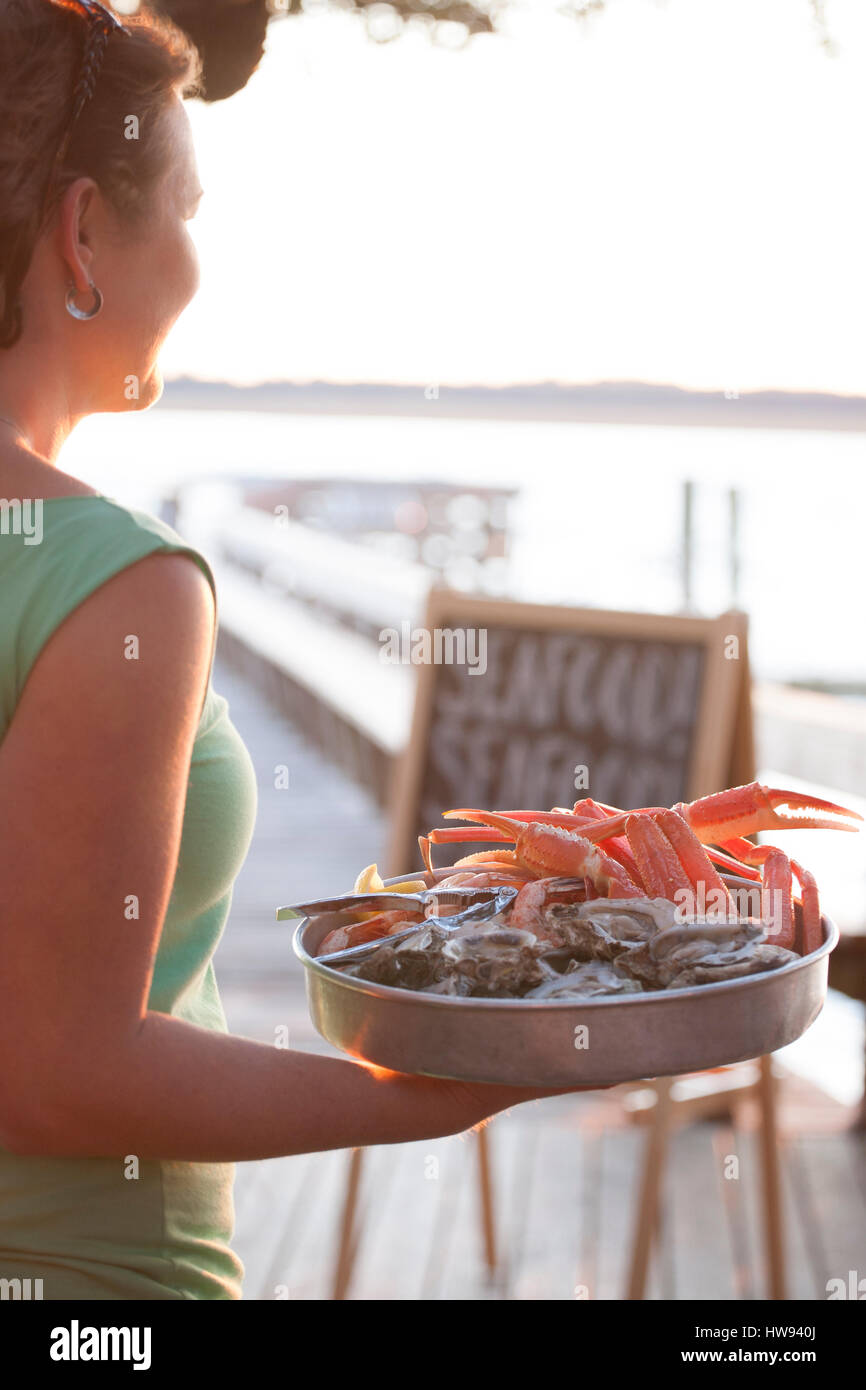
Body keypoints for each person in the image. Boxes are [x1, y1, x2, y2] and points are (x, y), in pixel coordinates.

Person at [0, 2, 589, 1301]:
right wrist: (422, 1097)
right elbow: (57, 1074)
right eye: (188, 211)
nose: (196, 263)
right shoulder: (111, 579)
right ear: (82, 233)